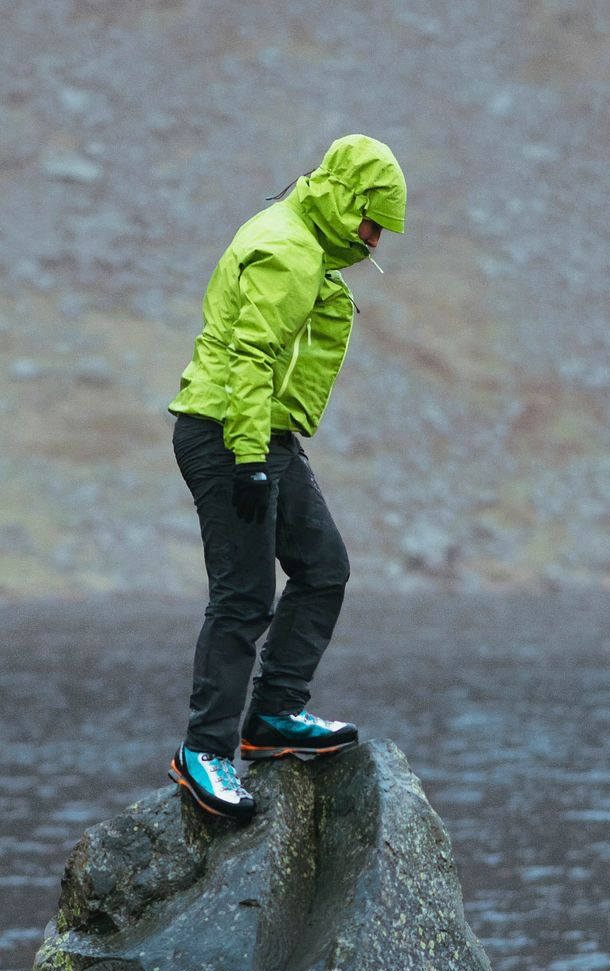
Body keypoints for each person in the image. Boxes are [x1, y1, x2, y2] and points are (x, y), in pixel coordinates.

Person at [167, 134, 407, 820]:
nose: (376, 241)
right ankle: (203, 752)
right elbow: (250, 356)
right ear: (348, 201)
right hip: (227, 433)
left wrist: (263, 445)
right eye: (372, 223)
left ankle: (272, 716)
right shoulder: (288, 250)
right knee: (243, 596)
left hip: (262, 433)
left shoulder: (308, 249)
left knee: (323, 566)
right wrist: (246, 456)